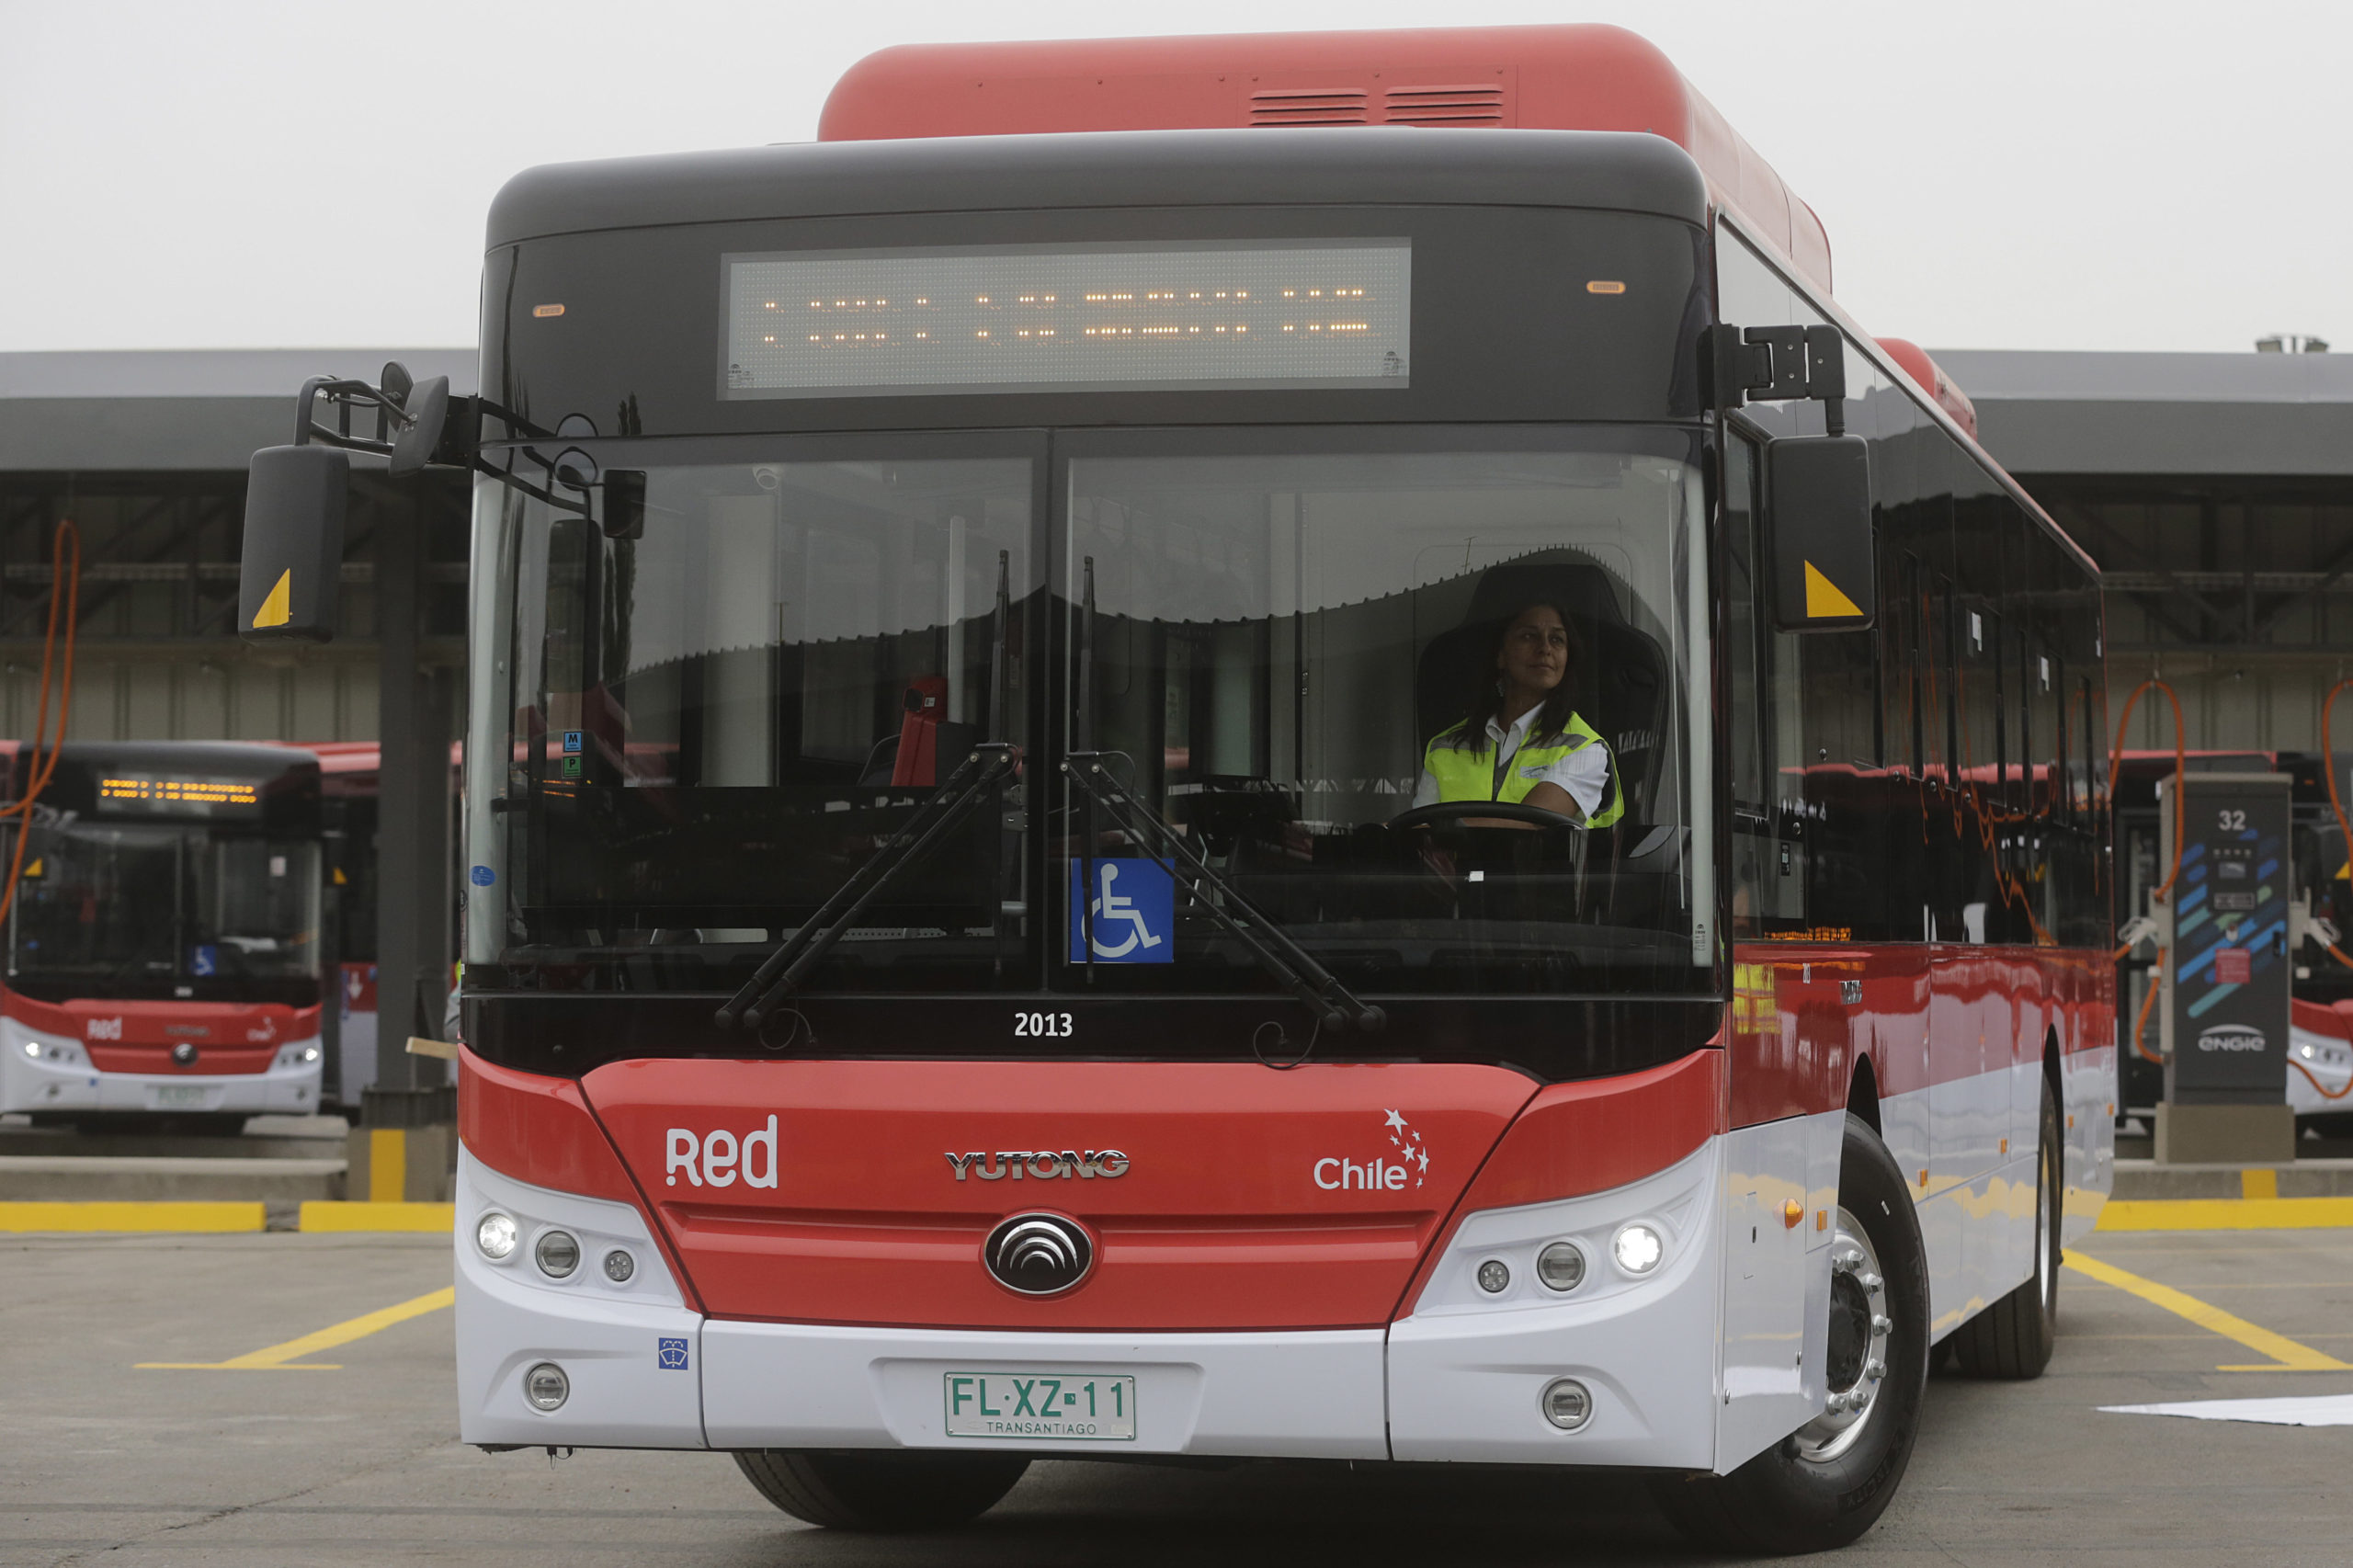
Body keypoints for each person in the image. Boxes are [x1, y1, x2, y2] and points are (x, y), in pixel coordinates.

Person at [1411, 600, 1622, 826]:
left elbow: (1526, 825)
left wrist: (1439, 830)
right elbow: (1419, 836)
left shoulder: (1585, 748)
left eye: (1557, 639)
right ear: (1500, 655)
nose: (1545, 648)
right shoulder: (1444, 747)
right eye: (1529, 636)